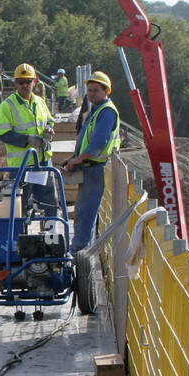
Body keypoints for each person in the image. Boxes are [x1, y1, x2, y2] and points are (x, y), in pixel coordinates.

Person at [62, 71, 120, 252]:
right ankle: (80, 248)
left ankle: (79, 251)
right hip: (88, 166)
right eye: (89, 90)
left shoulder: (107, 112)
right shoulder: (95, 111)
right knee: (82, 210)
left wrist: (78, 159)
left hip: (95, 169)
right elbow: (86, 139)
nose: (91, 94)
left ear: (106, 91)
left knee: (85, 211)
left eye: (96, 90)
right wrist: (74, 158)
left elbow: (98, 142)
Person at [0, 63, 57, 214]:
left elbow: (49, 120)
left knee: (49, 203)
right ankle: (19, 236)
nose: (25, 85)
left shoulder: (40, 102)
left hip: (42, 163)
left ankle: (50, 233)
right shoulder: (7, 106)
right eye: (21, 82)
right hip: (21, 166)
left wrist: (49, 129)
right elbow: (2, 134)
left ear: (34, 81)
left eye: (28, 81)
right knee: (19, 207)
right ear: (15, 83)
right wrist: (27, 139)